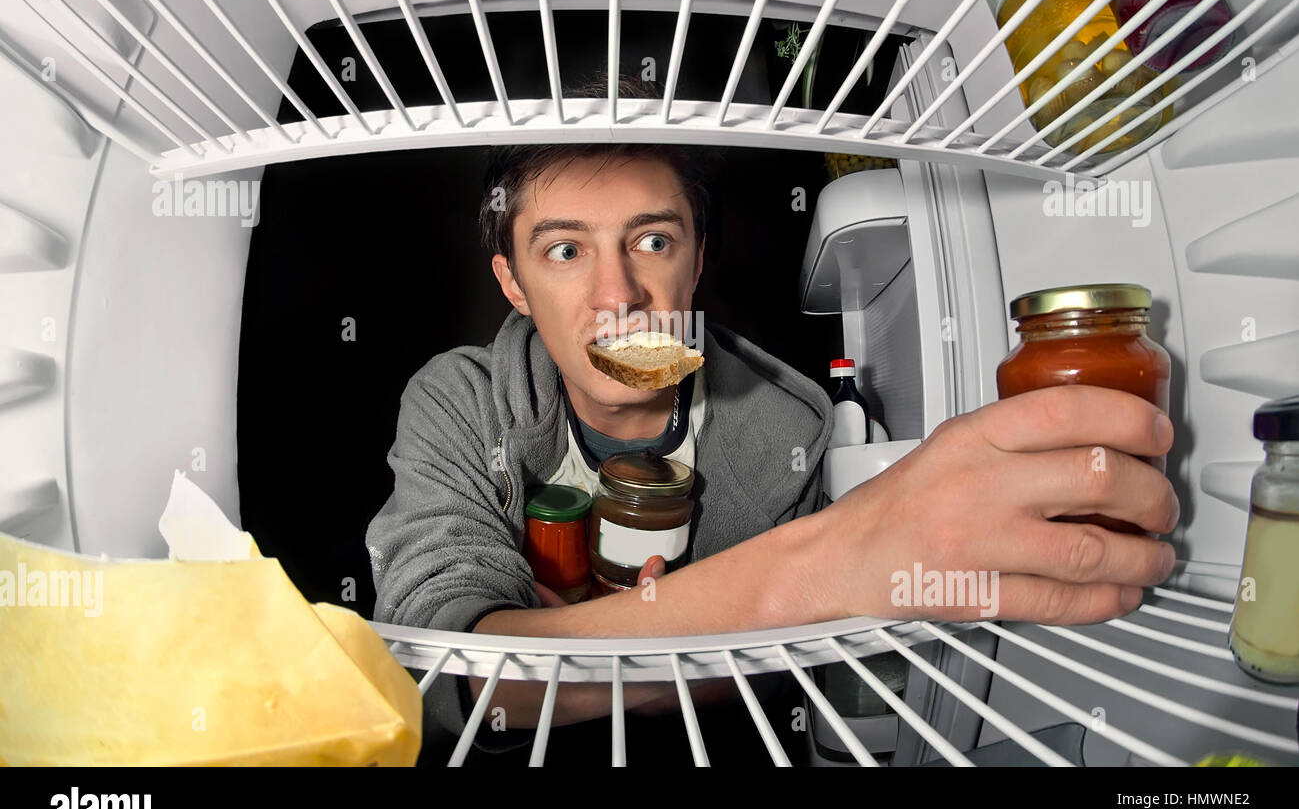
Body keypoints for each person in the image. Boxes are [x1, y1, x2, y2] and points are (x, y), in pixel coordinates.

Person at [365, 78, 1178, 759]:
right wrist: (817, 571)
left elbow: (761, 678)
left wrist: (579, 647)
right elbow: (444, 676)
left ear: (698, 258)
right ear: (513, 284)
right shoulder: (458, 402)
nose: (619, 297)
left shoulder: (791, 426)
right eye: (566, 251)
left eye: (651, 240)